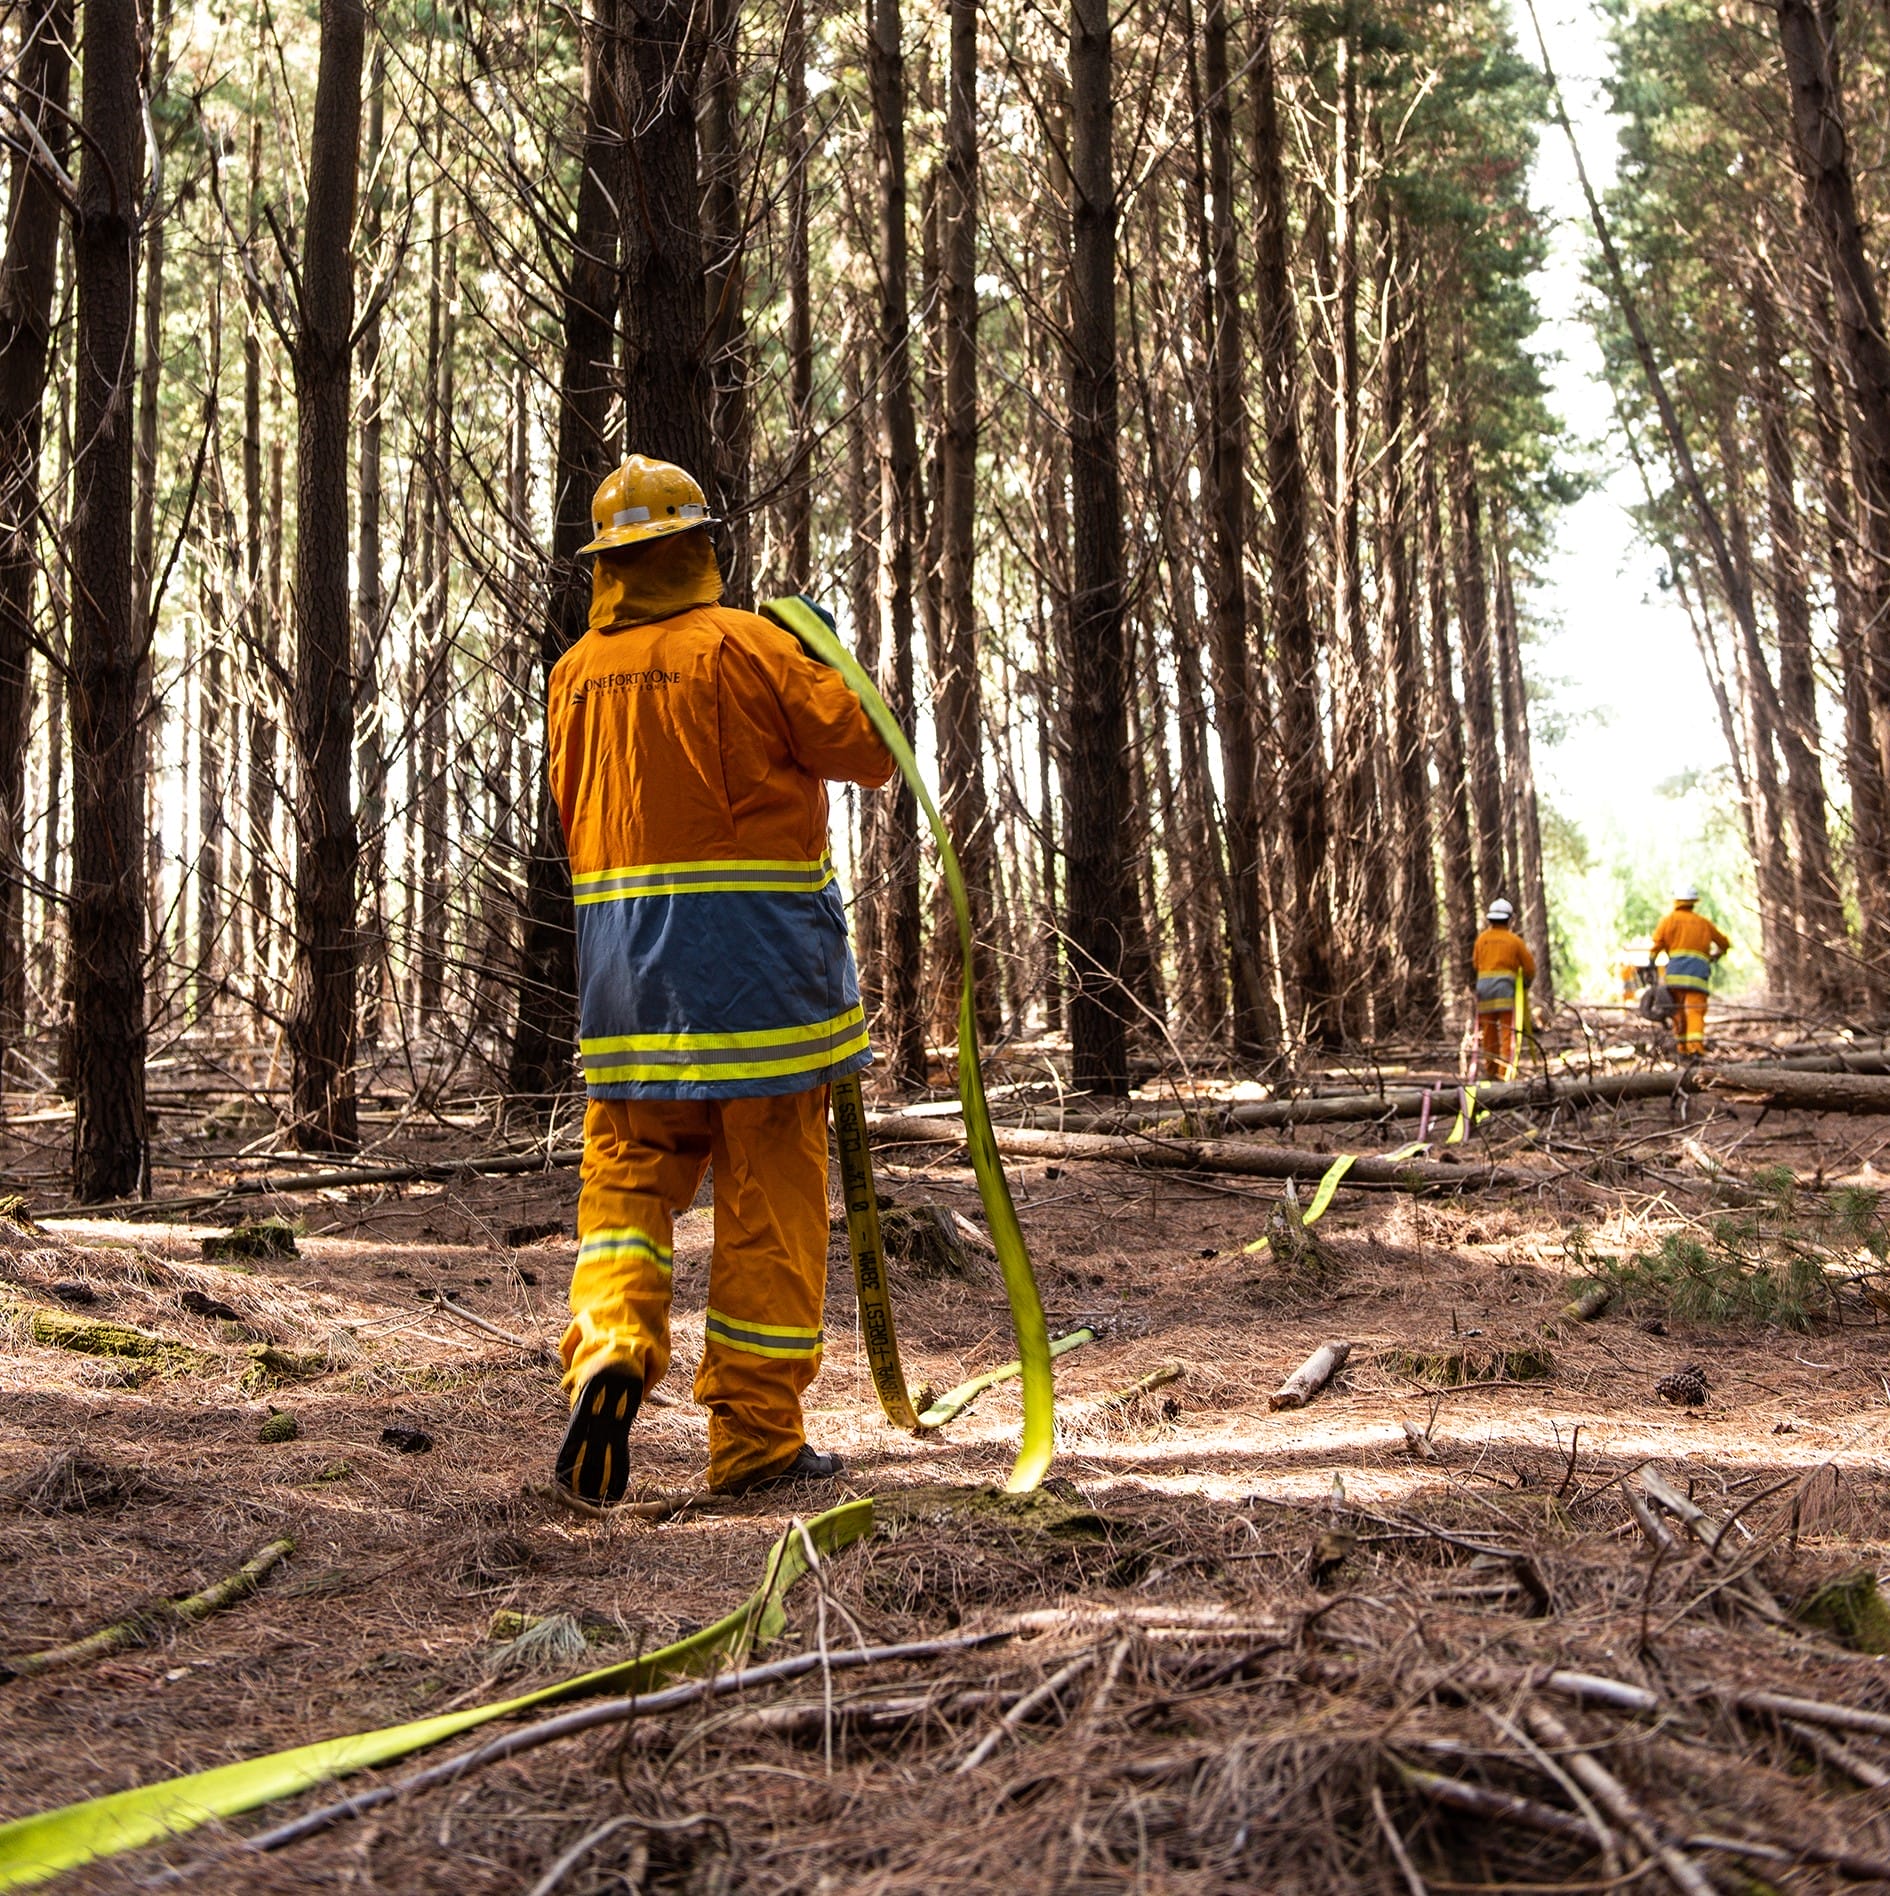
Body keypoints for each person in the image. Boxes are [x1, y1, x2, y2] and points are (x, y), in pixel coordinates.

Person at [545, 454, 895, 1504]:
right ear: (700, 548)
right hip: (762, 988)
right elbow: (870, 751)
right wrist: (821, 654)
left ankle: (609, 1348)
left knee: (624, 1186)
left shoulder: (571, 675)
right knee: (769, 1200)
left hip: (626, 988)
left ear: (607, 567)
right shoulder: (747, 646)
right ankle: (754, 1441)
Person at [1652, 882, 1729, 1058]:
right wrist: (1716, 955)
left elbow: (1656, 946)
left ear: (1676, 901)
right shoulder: (1703, 923)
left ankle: (1681, 1049)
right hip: (1697, 977)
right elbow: (1724, 943)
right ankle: (1695, 1049)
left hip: (1675, 976)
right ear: (1694, 902)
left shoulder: (1668, 921)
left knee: (1677, 1011)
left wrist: (1651, 966)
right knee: (1695, 1011)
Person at [1472, 898, 1536, 1079]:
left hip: (1484, 992)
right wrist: (1526, 983)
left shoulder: (1481, 940)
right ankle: (1504, 1072)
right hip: (1506, 993)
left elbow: (1476, 964)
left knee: (1489, 1030)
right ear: (1509, 919)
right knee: (1508, 1031)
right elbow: (1530, 967)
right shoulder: (1514, 941)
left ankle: (1491, 1069)